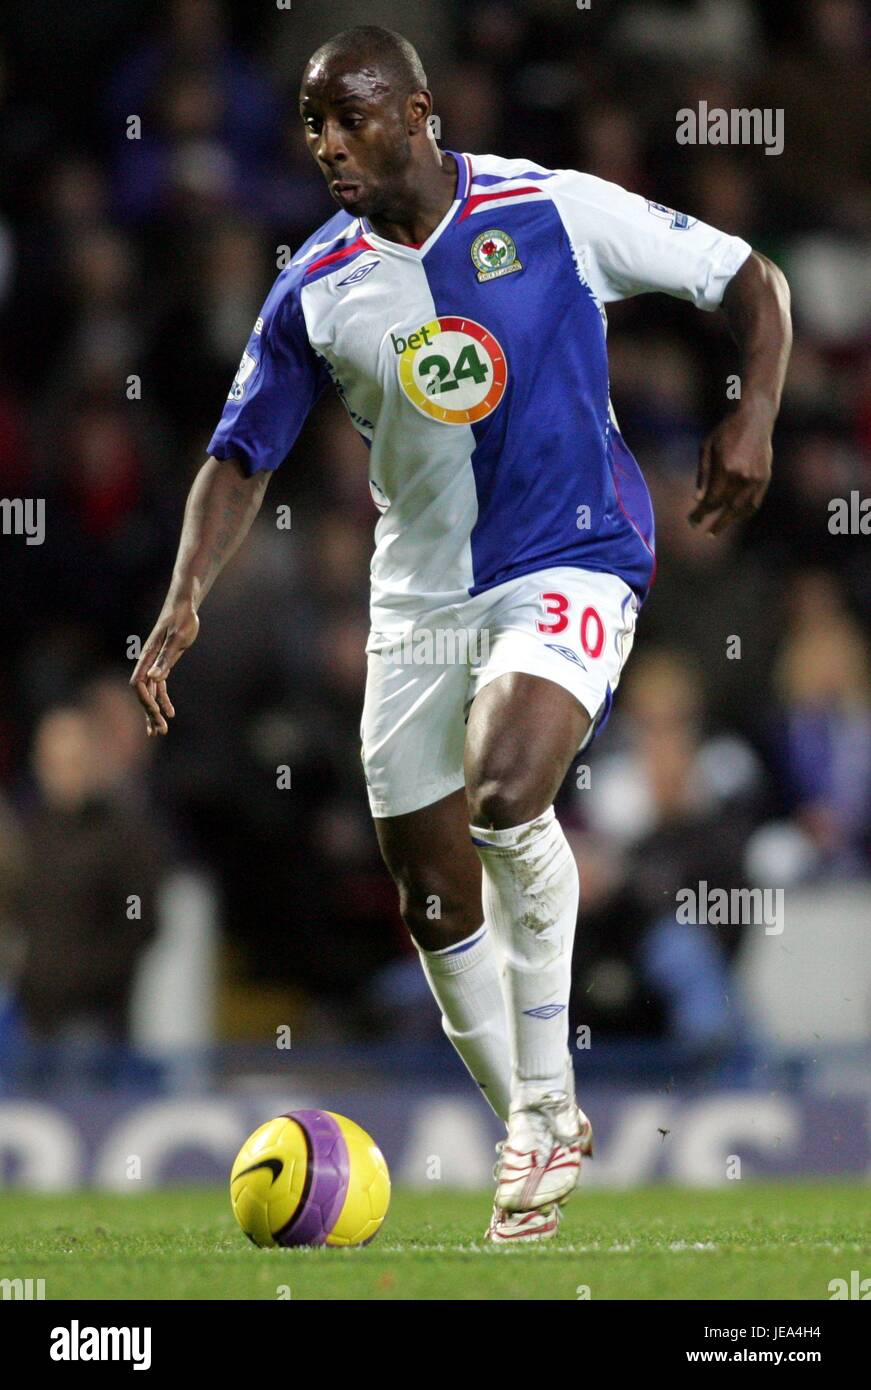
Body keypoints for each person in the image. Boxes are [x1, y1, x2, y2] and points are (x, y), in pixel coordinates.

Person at [131, 25, 792, 1242]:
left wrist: (749, 418)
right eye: (314, 124)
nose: (329, 144)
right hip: (419, 602)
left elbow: (752, 278)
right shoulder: (316, 285)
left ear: (420, 113)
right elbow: (239, 456)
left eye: (352, 116)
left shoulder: (550, 209)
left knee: (504, 790)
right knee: (432, 894)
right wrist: (183, 600)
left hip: (574, 556)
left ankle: (547, 1105)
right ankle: (531, 1127)